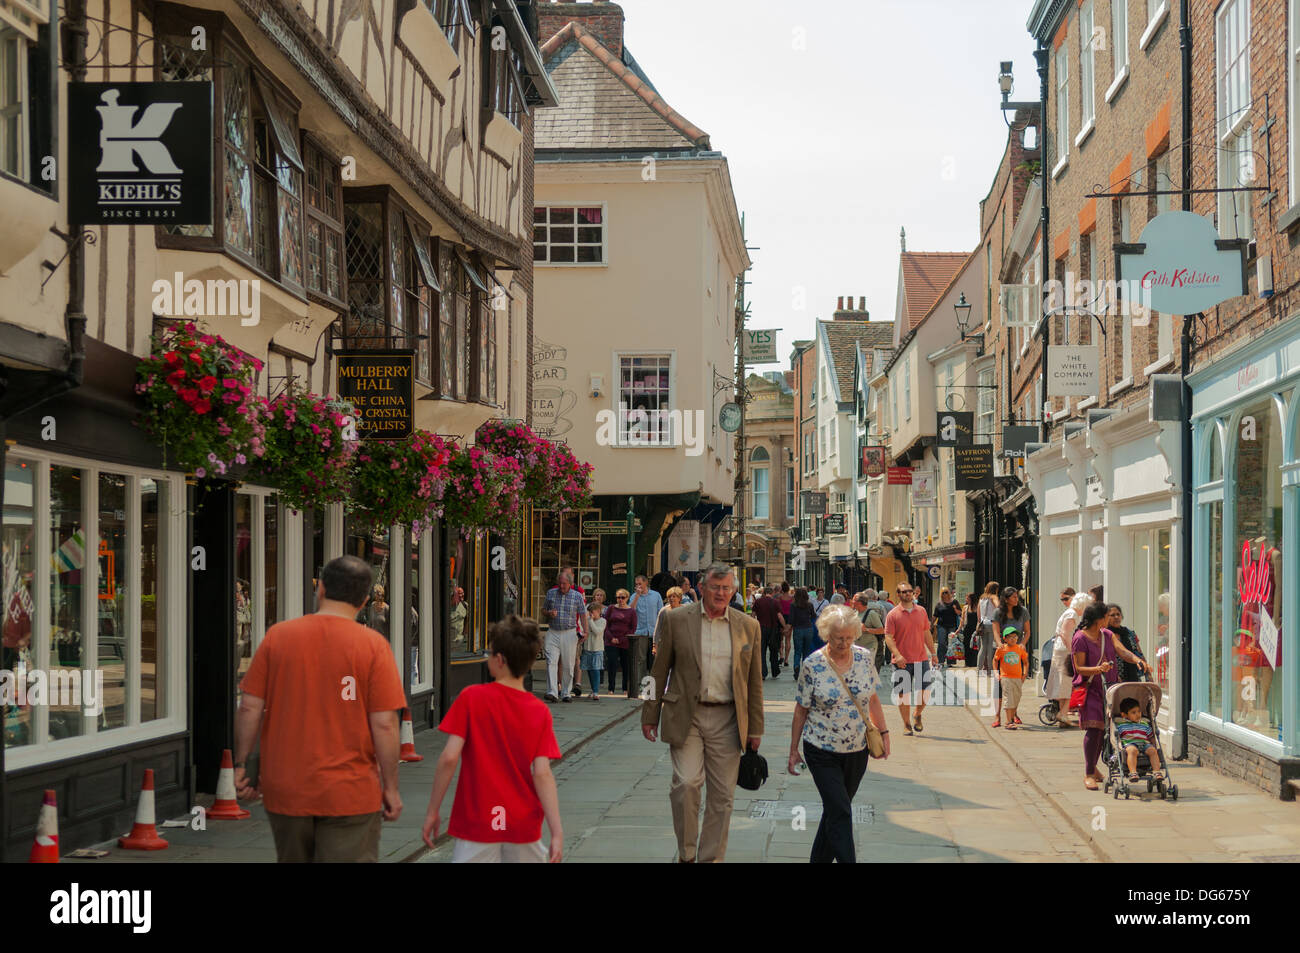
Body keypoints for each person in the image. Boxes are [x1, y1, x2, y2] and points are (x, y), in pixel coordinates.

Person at [234, 555, 406, 863]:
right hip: (350, 791)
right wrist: (390, 787)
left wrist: (242, 763)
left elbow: (249, 707)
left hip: (287, 788)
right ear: (364, 599)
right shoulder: (373, 646)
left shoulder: (279, 637)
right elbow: (385, 725)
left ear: (322, 589)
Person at [642, 564, 764, 863]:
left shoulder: (749, 625)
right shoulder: (676, 619)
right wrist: (649, 714)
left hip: (729, 719)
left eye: (726, 588)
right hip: (687, 715)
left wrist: (756, 728)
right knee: (686, 784)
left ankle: (710, 858)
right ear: (701, 588)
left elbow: (754, 681)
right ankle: (686, 854)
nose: (721, 593)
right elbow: (658, 671)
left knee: (722, 798)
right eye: (715, 587)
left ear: (733, 590)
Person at [421, 615, 563, 862]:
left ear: (499, 660)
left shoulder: (471, 698)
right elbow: (542, 773)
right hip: (522, 821)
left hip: (478, 819)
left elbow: (449, 757)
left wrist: (433, 810)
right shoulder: (539, 712)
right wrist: (556, 831)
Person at [789, 604, 891, 863]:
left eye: (848, 637)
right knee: (841, 811)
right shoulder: (813, 665)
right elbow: (801, 709)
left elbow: (873, 698)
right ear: (826, 635)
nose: (844, 643)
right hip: (821, 749)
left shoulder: (864, 658)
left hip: (857, 750)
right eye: (838, 638)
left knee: (835, 811)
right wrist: (793, 750)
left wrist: (884, 732)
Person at [1073, 602, 1146, 790]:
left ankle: (1094, 768)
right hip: (1091, 689)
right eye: (1107, 616)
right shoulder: (1080, 638)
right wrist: (1098, 669)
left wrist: (1137, 659)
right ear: (1100, 619)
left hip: (1110, 688)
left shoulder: (1107, 634)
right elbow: (1078, 668)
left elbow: (1121, 651)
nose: (1109, 619)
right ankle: (1089, 773)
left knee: (1104, 731)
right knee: (1094, 729)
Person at [883, 581, 936, 736]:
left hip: (921, 658)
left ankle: (917, 714)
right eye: (904, 592)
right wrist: (897, 655)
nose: (907, 594)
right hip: (901, 661)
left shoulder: (922, 611)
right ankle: (906, 724)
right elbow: (888, 637)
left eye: (910, 591)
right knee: (903, 694)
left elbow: (926, 633)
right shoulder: (893, 614)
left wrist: (933, 653)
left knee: (925, 692)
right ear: (898, 594)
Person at [1047, 592, 1090, 728]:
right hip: (1064, 651)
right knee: (1068, 682)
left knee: (1064, 683)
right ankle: (1063, 714)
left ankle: (1063, 715)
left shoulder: (1070, 613)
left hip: (1061, 649)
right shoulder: (1072, 615)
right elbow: (1066, 634)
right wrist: (1073, 651)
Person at [542, 570, 585, 703]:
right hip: (553, 631)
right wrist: (549, 613)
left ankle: (566, 692)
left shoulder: (577, 596)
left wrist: (586, 632)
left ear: (570, 584)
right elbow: (543, 609)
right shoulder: (551, 593)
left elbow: (583, 614)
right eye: (560, 583)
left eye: (564, 584)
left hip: (569, 633)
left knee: (568, 664)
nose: (561, 586)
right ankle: (552, 692)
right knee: (551, 662)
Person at [994, 587, 1031, 724]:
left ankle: (1014, 713)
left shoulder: (1023, 611)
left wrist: (1022, 643)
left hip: (1017, 651)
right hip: (1003, 651)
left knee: (1016, 685)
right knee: (999, 686)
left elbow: (1027, 631)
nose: (1017, 599)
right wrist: (1000, 645)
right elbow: (996, 631)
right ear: (1006, 599)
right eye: (1014, 597)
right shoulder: (998, 612)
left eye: (1017, 596)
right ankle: (998, 716)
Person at [1116, 698, 1163, 782]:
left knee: (1152, 750)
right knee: (1132, 750)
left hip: (1144, 743)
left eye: (1139, 711)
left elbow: (1151, 736)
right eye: (1133, 712)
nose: (1138, 714)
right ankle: (1133, 772)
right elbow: (1117, 738)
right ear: (1124, 715)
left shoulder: (1144, 724)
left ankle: (1157, 772)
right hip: (1130, 744)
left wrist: (1154, 745)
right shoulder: (1121, 725)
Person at [629, 574, 664, 679]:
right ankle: (641, 683)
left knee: (654, 659)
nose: (638, 586)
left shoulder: (656, 595)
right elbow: (631, 611)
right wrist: (637, 596)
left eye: (640, 584)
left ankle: (654, 682)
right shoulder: (634, 596)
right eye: (636, 584)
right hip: (640, 632)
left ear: (646, 583)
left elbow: (661, 612)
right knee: (640, 659)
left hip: (654, 631)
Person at [603, 589, 636, 695]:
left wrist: (622, 639)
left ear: (627, 598)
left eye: (623, 597)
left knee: (625, 665)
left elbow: (633, 628)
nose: (620, 600)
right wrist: (611, 637)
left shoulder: (631, 611)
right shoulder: (611, 608)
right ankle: (611, 688)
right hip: (611, 640)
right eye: (618, 597)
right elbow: (605, 624)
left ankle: (625, 688)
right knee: (612, 663)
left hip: (625, 642)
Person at [993, 627, 1027, 729]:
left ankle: (1011, 718)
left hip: (1017, 678)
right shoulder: (1002, 649)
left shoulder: (1020, 649)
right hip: (1005, 677)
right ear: (1005, 639)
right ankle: (1008, 722)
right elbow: (995, 660)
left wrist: (1024, 674)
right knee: (1008, 698)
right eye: (1010, 637)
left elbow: (1025, 662)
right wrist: (996, 673)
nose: (1013, 639)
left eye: (1015, 637)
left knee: (1017, 697)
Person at [1107, 604, 1147, 683]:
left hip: (1133, 676)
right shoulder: (1105, 635)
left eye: (1118, 614)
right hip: (1113, 678)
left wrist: (1147, 673)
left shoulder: (1130, 633)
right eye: (1112, 615)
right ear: (1106, 618)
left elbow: (1139, 653)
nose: (1116, 617)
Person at [753, 586, 784, 678]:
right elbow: (779, 616)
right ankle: (775, 671)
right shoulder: (775, 602)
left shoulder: (758, 602)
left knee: (762, 651)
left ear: (764, 593)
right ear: (772, 593)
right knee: (774, 650)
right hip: (773, 629)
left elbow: (753, 615)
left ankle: (763, 672)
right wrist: (785, 626)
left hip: (761, 629)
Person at [790, 587, 820, 678]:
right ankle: (805, 669)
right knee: (806, 651)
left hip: (798, 629)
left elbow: (791, 619)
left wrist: (788, 627)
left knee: (797, 651)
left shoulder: (793, 605)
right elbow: (814, 616)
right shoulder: (809, 605)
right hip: (808, 629)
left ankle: (796, 666)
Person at [582, 602, 606, 701]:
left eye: (593, 612)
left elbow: (597, 632)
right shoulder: (587, 620)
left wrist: (590, 621)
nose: (591, 614)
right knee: (589, 670)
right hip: (588, 648)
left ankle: (596, 692)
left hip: (597, 649)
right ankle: (593, 689)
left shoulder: (603, 621)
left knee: (596, 670)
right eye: (590, 612)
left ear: (598, 611)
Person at [652, 586, 686, 656]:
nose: (671, 598)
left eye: (674, 596)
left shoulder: (686, 610)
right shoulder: (664, 611)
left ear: (679, 598)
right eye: (669, 597)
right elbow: (658, 629)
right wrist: (655, 646)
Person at [932, 588, 960, 670]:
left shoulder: (954, 602)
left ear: (949, 593)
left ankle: (950, 662)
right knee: (941, 643)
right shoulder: (939, 604)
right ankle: (940, 661)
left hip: (952, 626)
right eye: (943, 593)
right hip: (941, 626)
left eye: (946, 592)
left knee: (951, 644)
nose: (945, 594)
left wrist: (955, 608)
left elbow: (960, 613)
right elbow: (935, 615)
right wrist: (930, 624)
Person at [977, 582, 1000, 673]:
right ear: (995, 589)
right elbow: (998, 607)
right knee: (990, 647)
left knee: (983, 647)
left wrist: (979, 622)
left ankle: (979, 669)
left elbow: (978, 614)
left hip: (983, 624)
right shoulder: (994, 597)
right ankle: (990, 669)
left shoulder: (982, 598)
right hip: (991, 623)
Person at [959, 593, 980, 668]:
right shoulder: (965, 607)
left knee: (975, 646)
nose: (966, 600)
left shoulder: (977, 607)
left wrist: (978, 629)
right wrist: (958, 629)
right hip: (967, 629)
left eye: (968, 598)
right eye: (966, 598)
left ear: (972, 599)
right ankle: (967, 662)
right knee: (966, 646)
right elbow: (962, 619)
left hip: (975, 629)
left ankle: (974, 662)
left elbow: (979, 619)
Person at [778, 582, 794, 664]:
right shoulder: (792, 598)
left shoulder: (779, 598)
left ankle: (781, 655)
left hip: (781, 618)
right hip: (789, 619)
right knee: (788, 639)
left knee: (780, 639)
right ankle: (786, 659)